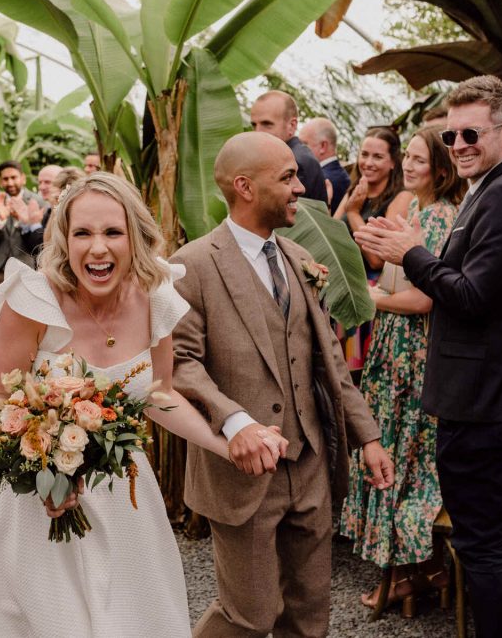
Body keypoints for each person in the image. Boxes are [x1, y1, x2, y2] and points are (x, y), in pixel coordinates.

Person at [0, 172, 286, 638]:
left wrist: (228, 442)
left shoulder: (156, 297)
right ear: (63, 239)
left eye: (113, 232)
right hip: (34, 501)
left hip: (123, 491)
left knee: (130, 616)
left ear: (136, 236)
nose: (97, 248)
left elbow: (160, 396)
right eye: (82, 233)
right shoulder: (33, 298)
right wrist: (42, 474)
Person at [354, 75, 502, 638]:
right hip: (493, 397)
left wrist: (410, 253)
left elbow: (470, 295)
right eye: (450, 136)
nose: (459, 144)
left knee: (481, 542)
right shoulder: (490, 191)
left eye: (471, 133)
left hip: (485, 403)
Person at [171, 131, 393, 637]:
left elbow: (329, 359)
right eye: (288, 177)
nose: (300, 189)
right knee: (248, 615)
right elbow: (181, 364)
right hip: (242, 471)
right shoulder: (194, 265)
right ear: (245, 187)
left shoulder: (296, 258)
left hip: (310, 461)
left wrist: (369, 436)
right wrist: (234, 421)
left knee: (310, 614)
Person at [339, 126, 465, 612]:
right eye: (406, 158)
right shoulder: (413, 209)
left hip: (414, 350)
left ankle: (417, 569)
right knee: (388, 447)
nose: (408, 166)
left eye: (416, 159)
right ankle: (406, 569)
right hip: (394, 347)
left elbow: (427, 297)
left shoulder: (438, 216)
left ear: (440, 168)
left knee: (406, 457)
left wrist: (376, 300)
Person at [335, 127, 413, 371]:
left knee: (361, 369)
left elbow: (379, 259)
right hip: (344, 287)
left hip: (374, 293)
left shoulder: (401, 197)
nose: (368, 162)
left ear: (393, 163)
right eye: (364, 154)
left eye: (377, 157)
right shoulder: (355, 190)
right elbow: (332, 231)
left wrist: (354, 213)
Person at [250, 90, 328, 204]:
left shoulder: (295, 162)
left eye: (267, 124)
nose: (258, 132)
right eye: (254, 125)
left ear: (291, 126)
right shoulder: (289, 156)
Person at [0, 160, 47, 282]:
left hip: (29, 271)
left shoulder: (38, 202)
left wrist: (24, 221)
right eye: (5, 179)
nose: (10, 182)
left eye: (13, 177)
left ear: (23, 178)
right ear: (0, 182)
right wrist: (0, 221)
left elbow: (43, 243)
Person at [299, 117, 350, 214]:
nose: (301, 150)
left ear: (323, 146)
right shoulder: (340, 175)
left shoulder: (321, 179)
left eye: (304, 145)